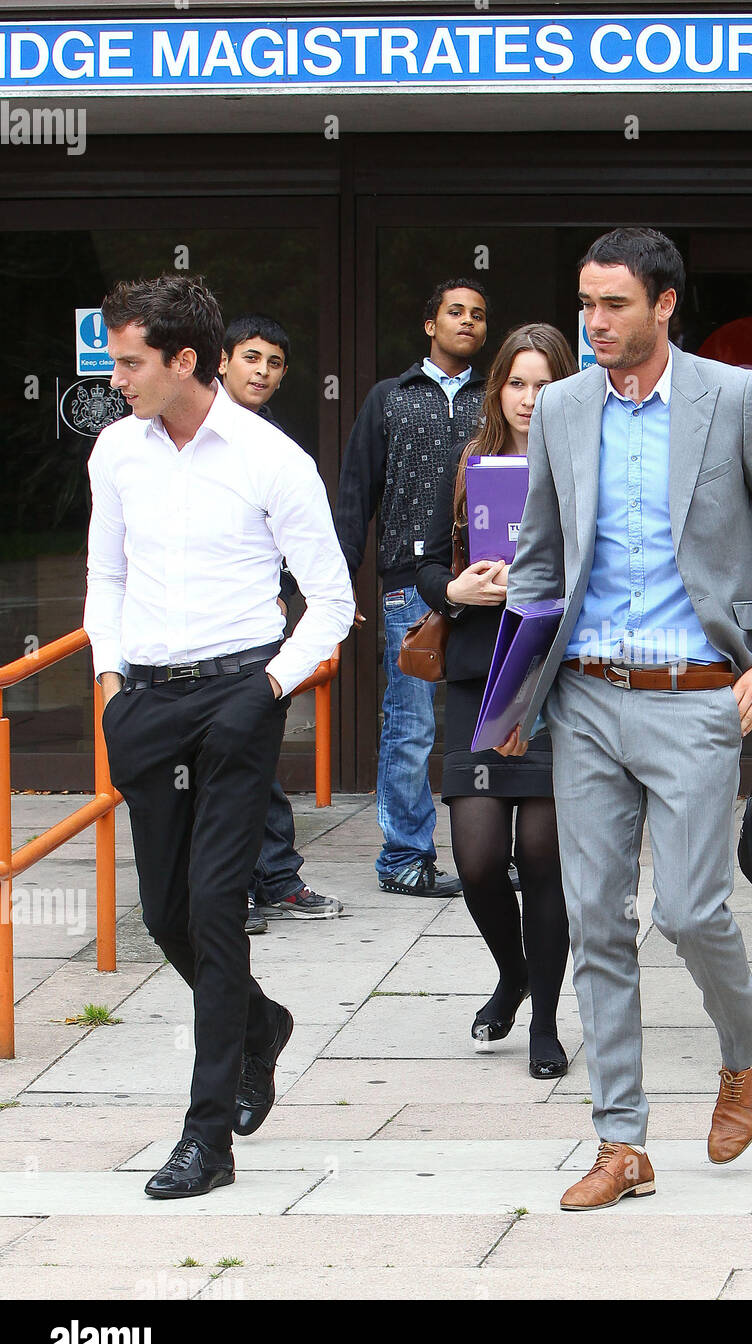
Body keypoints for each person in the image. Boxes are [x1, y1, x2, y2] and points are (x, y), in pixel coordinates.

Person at [499, 228, 752, 1209]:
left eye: (612, 305)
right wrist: (516, 692)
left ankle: (746, 1045)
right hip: (586, 698)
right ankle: (618, 1140)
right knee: (594, 918)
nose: (593, 323)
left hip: (696, 697)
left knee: (688, 910)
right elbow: (537, 559)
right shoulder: (559, 408)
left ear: (663, 305)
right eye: (584, 304)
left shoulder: (730, 400)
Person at [85, 274, 355, 1197]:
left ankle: (207, 1141)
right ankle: (260, 1024)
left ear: (183, 361)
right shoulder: (116, 453)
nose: (115, 378)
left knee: (212, 909)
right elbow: (104, 578)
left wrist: (270, 686)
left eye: (128, 362)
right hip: (147, 703)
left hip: (242, 693)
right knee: (164, 915)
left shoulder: (269, 457)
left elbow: (333, 602)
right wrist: (113, 684)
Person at [417, 324, 578, 1079]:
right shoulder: (467, 464)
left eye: (544, 384)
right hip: (479, 675)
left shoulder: (589, 465)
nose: (527, 398)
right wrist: (453, 590)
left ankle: (545, 1019)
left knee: (542, 859)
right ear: (498, 389)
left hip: (559, 680)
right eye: (517, 382)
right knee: (480, 861)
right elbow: (413, 560)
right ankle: (511, 973)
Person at [336, 280, 488, 899]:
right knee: (409, 727)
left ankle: (492, 850)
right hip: (408, 587)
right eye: (455, 312)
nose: (468, 323)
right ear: (430, 323)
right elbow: (354, 497)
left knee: (491, 720)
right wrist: (337, 587)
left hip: (490, 588)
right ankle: (405, 857)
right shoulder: (388, 399)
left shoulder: (498, 397)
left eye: (479, 315)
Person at [218, 313, 342, 931]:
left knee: (258, 762)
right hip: (204, 638)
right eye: (250, 357)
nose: (261, 371)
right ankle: (229, 890)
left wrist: (310, 599)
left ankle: (275, 880)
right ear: (221, 360)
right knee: (222, 773)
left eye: (272, 362)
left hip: (261, 629)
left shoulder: (275, 443)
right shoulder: (190, 436)